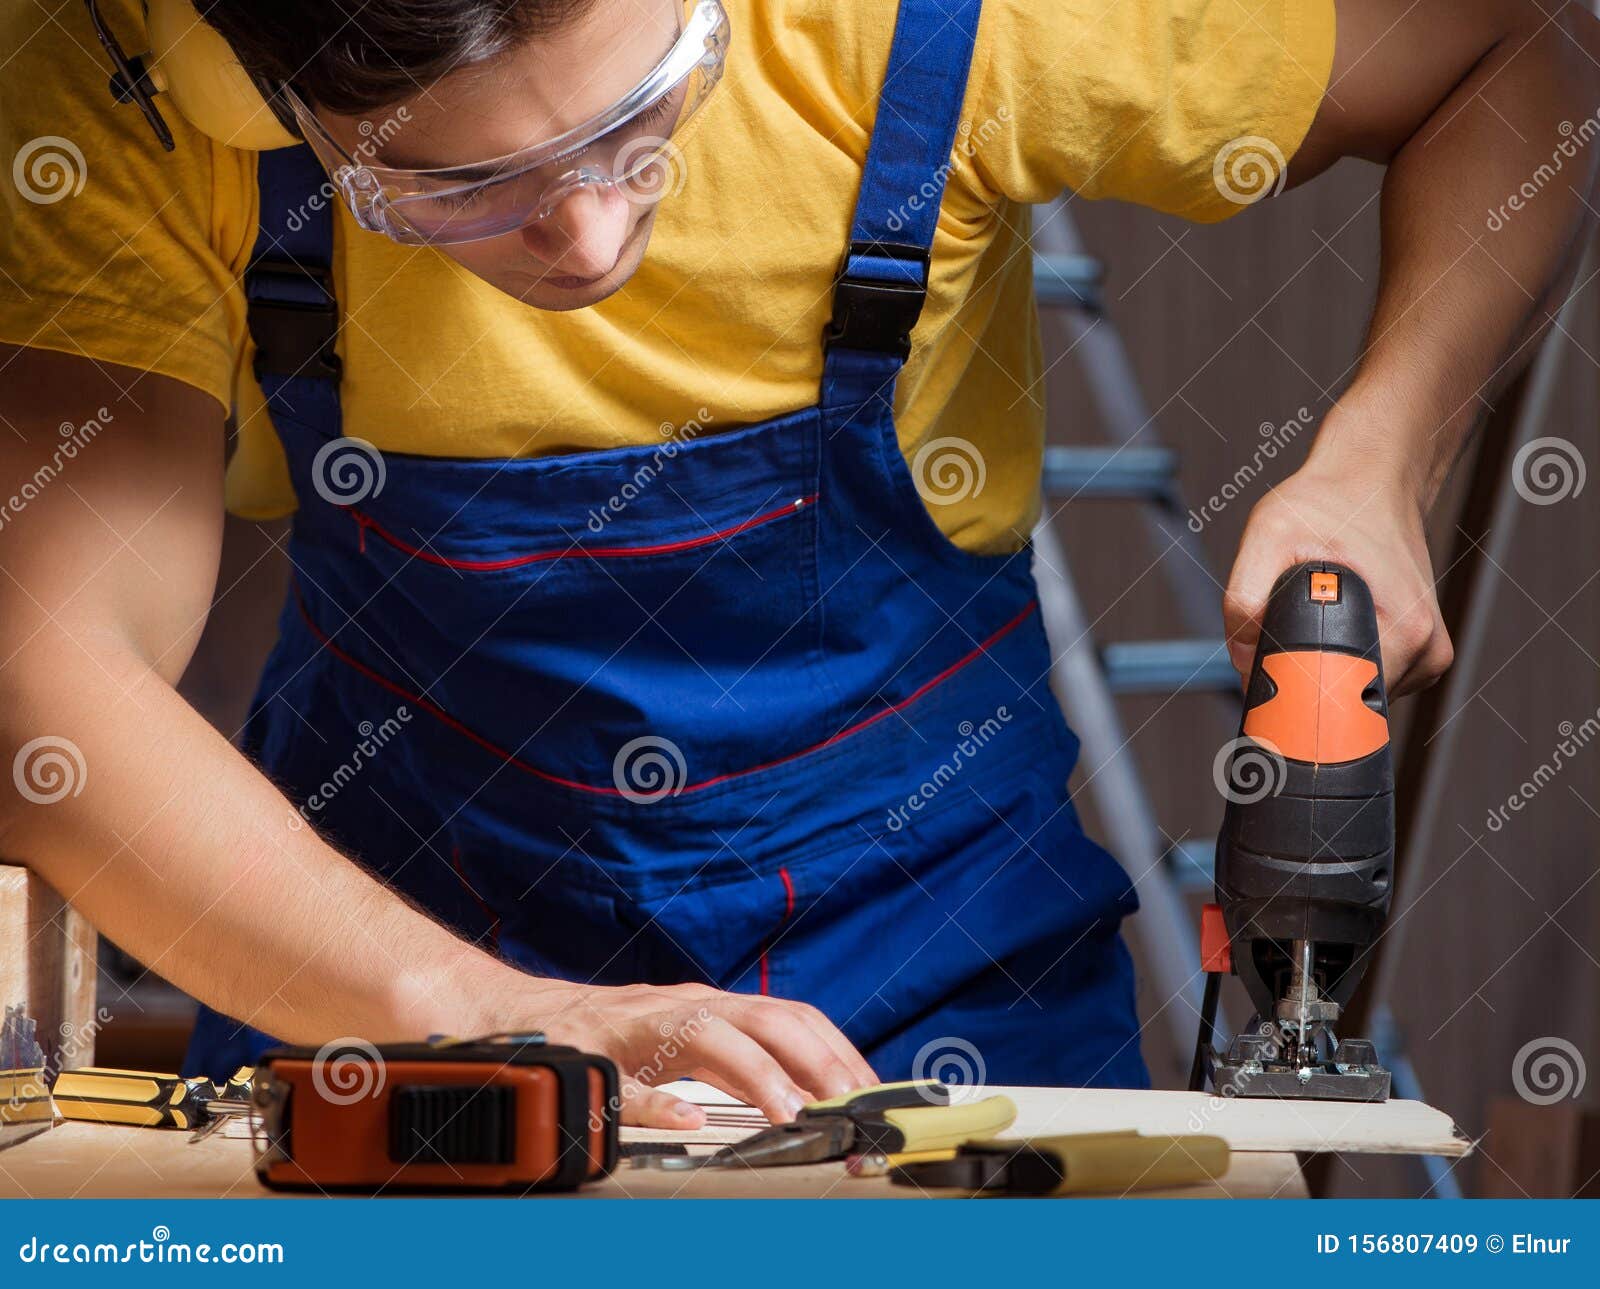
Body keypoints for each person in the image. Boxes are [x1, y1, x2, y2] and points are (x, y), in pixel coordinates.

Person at [0, 0, 1593, 1125]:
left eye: (640, 122)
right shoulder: (123, 79)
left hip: (944, 987)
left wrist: (1384, 459)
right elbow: (45, 679)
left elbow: (1520, 57)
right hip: (394, 1007)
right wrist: (494, 1018)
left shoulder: (929, 19)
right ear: (265, 91)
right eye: (457, 187)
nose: (591, 240)